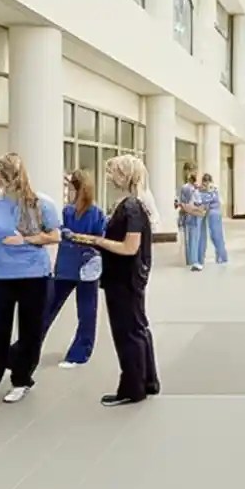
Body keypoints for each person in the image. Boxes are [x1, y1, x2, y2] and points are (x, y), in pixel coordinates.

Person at [0, 153, 62, 404]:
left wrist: (25, 240)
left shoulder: (41, 204)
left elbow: (55, 235)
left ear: (8, 176)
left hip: (34, 275)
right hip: (1, 275)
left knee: (30, 330)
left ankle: (21, 380)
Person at [12, 169, 105, 369]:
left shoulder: (96, 214)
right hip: (65, 267)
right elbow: (55, 231)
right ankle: (24, 349)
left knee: (87, 312)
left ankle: (80, 353)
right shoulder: (66, 212)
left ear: (79, 189)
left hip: (87, 269)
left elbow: (101, 240)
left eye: (70, 188)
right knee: (46, 308)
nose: (67, 192)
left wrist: (79, 239)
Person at [90, 155, 160, 406]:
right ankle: (147, 381)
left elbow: (130, 247)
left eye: (112, 173)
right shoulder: (135, 205)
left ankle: (133, 387)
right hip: (130, 277)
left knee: (127, 331)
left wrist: (98, 241)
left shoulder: (130, 207)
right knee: (138, 328)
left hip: (124, 278)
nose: (108, 178)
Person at [198, 173, 228, 264]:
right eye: (205, 181)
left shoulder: (213, 190)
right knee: (215, 235)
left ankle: (222, 255)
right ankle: (221, 255)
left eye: (207, 181)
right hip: (210, 214)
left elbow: (210, 200)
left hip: (214, 213)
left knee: (216, 235)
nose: (206, 183)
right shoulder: (205, 190)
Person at [179, 172, 207, 271]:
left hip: (188, 214)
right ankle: (193, 258)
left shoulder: (186, 188)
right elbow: (198, 202)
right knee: (194, 237)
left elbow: (182, 201)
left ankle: (190, 258)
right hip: (194, 214)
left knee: (190, 238)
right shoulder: (192, 189)